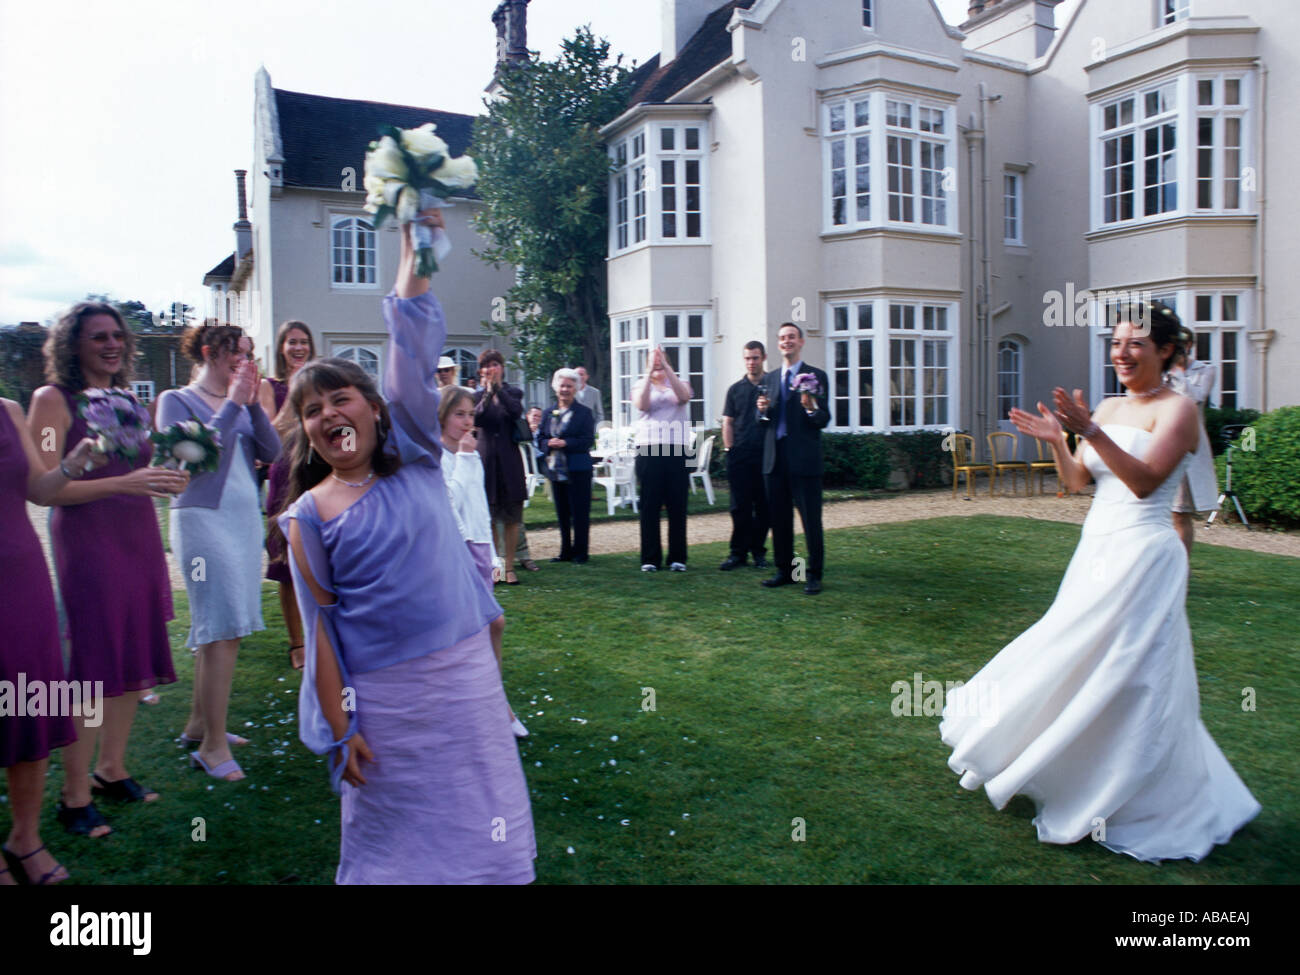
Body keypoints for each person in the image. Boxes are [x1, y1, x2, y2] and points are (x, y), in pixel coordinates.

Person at [942, 300, 1260, 862]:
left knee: (1131, 674)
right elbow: (1077, 481)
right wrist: (1058, 440)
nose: (1121, 352)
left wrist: (1089, 428)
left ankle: (1134, 792)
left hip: (1146, 554)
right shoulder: (1110, 404)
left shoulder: (1179, 411)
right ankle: (1066, 767)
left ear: (1164, 351)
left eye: (1135, 342)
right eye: (1115, 343)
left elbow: (1143, 482)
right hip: (1097, 550)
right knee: (1072, 654)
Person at [279, 209, 535, 883]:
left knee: (487, 836)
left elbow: (412, 346)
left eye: (340, 398)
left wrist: (412, 245)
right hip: (387, 709)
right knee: (398, 853)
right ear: (306, 432)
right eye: (312, 410)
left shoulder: (418, 451)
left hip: (464, 682)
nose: (329, 413)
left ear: (373, 405)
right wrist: (342, 730)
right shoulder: (307, 517)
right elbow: (322, 634)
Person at [27, 302, 188, 837]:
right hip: (89, 545)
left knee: (128, 657)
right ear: (72, 345)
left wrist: (163, 476)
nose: (111, 344)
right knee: (92, 668)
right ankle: (73, 797)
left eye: (117, 335)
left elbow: (135, 468)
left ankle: (110, 768)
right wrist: (126, 483)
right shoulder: (52, 401)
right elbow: (47, 486)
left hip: (138, 536)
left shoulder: (126, 398)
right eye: (97, 337)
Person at [156, 324, 280, 783]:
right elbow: (187, 456)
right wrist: (232, 405)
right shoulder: (176, 399)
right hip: (200, 519)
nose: (245, 362)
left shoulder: (243, 400)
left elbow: (273, 451)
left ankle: (200, 725)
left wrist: (252, 406)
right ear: (210, 352)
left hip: (243, 520)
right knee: (222, 625)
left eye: (250, 354)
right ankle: (213, 747)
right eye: (237, 353)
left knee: (223, 628)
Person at [1, 400, 101, 882]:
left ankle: (25, 838)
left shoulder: (8, 412)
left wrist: (69, 465)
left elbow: (39, 490)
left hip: (19, 578)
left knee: (26, 700)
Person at [439, 385, 528, 738]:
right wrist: (463, 458)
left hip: (477, 549)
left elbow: (478, 506)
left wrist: (491, 555)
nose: (466, 422)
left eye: (470, 414)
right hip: (456, 550)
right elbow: (449, 505)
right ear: (442, 416)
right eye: (458, 414)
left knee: (486, 629)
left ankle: (487, 707)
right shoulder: (441, 457)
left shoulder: (468, 451)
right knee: (489, 627)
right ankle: (496, 709)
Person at [757, 323, 829, 595]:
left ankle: (813, 575)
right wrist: (761, 411)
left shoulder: (816, 375)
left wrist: (811, 408)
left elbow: (824, 419)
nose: (786, 342)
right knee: (779, 519)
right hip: (775, 461)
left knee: (811, 520)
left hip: (804, 460)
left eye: (791, 337)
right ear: (778, 344)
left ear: (801, 342)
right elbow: (762, 422)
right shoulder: (770, 378)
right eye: (782, 338)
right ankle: (784, 571)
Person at [260, 320, 316, 670]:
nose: (298, 348)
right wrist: (293, 393)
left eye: (304, 342)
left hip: (317, 474)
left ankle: (323, 635)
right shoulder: (271, 387)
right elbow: (269, 436)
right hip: (283, 477)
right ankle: (297, 643)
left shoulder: (318, 383)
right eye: (292, 342)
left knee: (321, 561)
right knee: (287, 567)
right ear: (281, 347)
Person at [633, 347, 694, 572]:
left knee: (678, 503)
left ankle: (677, 557)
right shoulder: (640, 385)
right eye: (652, 360)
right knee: (649, 505)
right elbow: (642, 405)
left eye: (660, 360)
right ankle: (650, 558)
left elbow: (684, 397)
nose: (656, 363)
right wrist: (649, 373)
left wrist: (668, 370)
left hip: (677, 448)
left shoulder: (681, 383)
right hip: (649, 448)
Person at [474, 349, 527, 585]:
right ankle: (495, 566)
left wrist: (498, 391)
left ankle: (509, 566)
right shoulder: (475, 396)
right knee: (491, 516)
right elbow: (478, 419)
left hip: (509, 460)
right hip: (485, 460)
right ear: (480, 371)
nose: (490, 369)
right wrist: (487, 394)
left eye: (494, 364)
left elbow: (515, 411)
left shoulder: (513, 392)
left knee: (511, 516)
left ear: (502, 368)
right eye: (486, 366)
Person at [720, 341, 770, 571]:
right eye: (748, 358)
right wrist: (729, 449)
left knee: (763, 508)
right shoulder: (735, 389)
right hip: (739, 456)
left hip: (766, 457)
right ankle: (737, 553)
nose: (751, 362)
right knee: (739, 508)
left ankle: (758, 552)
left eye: (756, 358)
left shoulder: (773, 385)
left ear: (764, 358)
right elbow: (728, 422)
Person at [1167, 335, 1220, 557]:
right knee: (1158, 511)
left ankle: (1182, 565)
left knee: (1180, 513)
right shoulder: (1162, 371)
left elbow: (1194, 398)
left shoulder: (1205, 370)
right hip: (1163, 444)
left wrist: (1178, 373)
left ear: (1188, 346)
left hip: (1189, 448)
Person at [538, 368, 596, 565]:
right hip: (556, 469)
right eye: (562, 385)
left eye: (569, 386)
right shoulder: (548, 413)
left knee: (579, 511)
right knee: (562, 512)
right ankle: (565, 552)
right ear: (556, 388)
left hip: (578, 468)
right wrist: (548, 444)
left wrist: (565, 443)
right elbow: (541, 439)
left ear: (576, 389)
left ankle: (581, 552)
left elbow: (588, 440)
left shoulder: (584, 413)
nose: (565, 390)